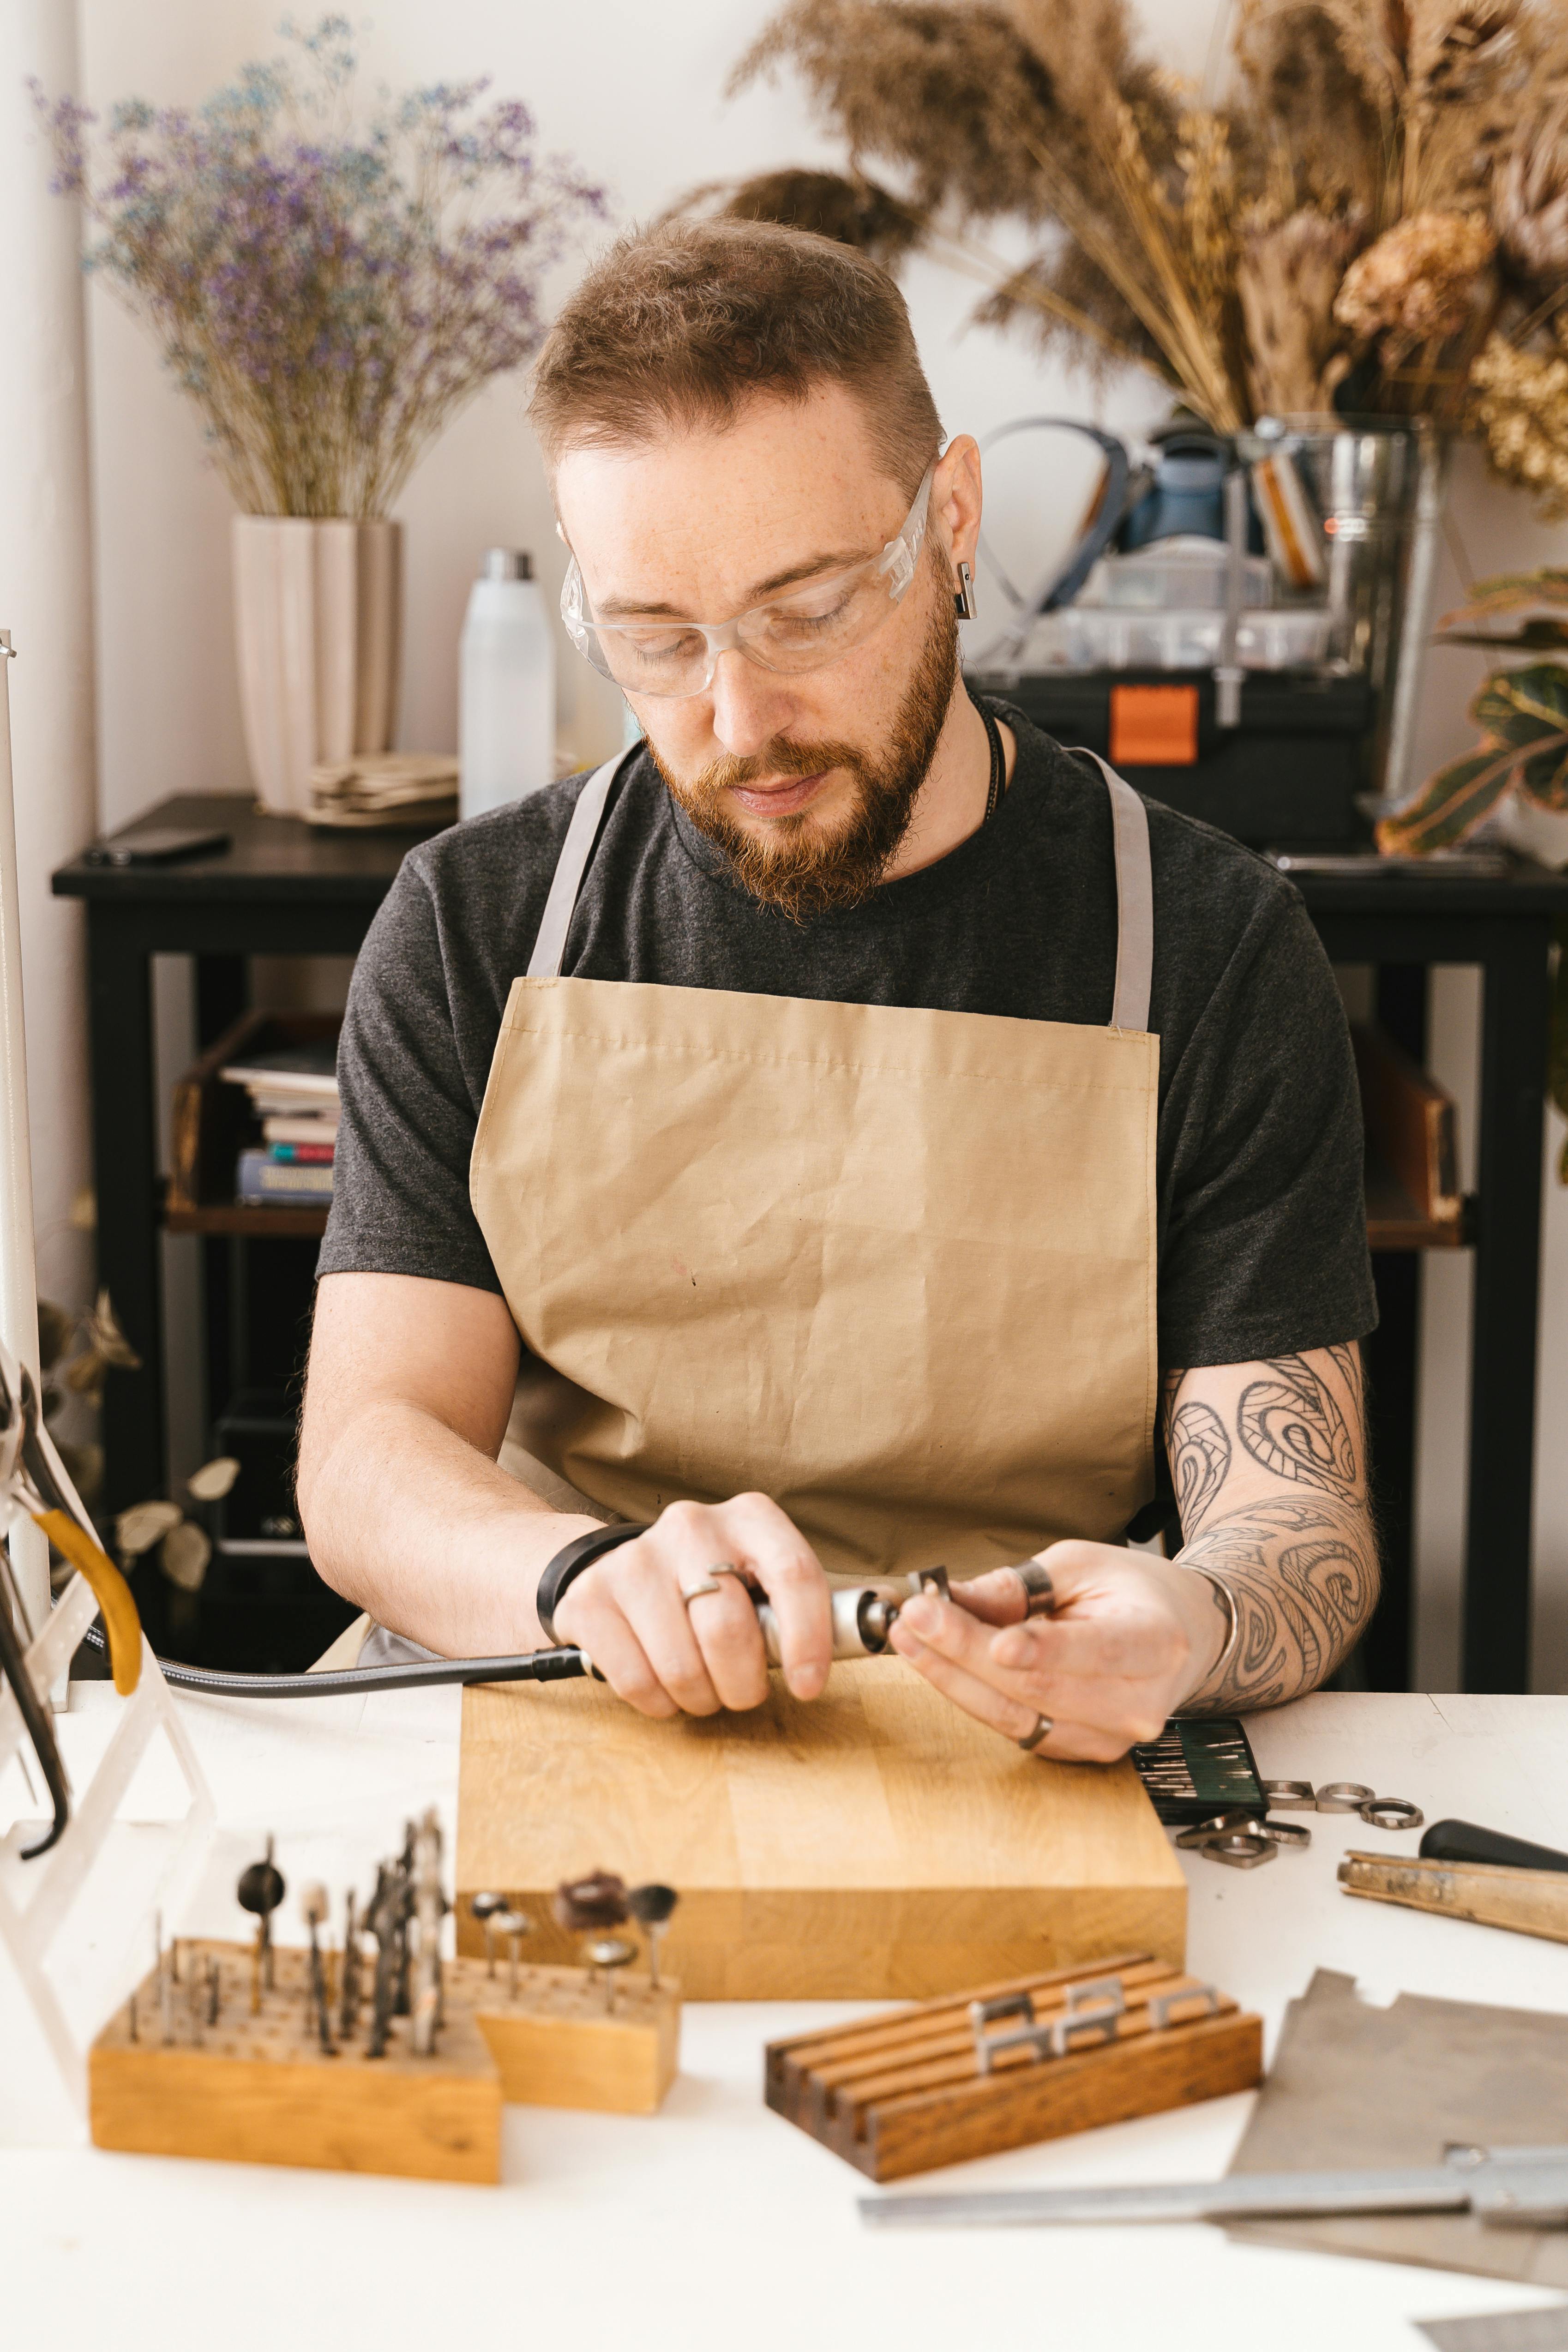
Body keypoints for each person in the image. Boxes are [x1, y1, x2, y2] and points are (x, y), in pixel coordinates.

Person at [296, 218, 1379, 1760]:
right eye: (656, 640)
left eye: (809, 610)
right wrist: (581, 1581)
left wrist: (1194, 1622)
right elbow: (367, 1456)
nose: (741, 717)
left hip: (1017, 1736)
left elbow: (1297, 1524)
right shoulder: (478, 922)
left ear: (952, 518)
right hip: (555, 1676)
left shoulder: (1207, 942)